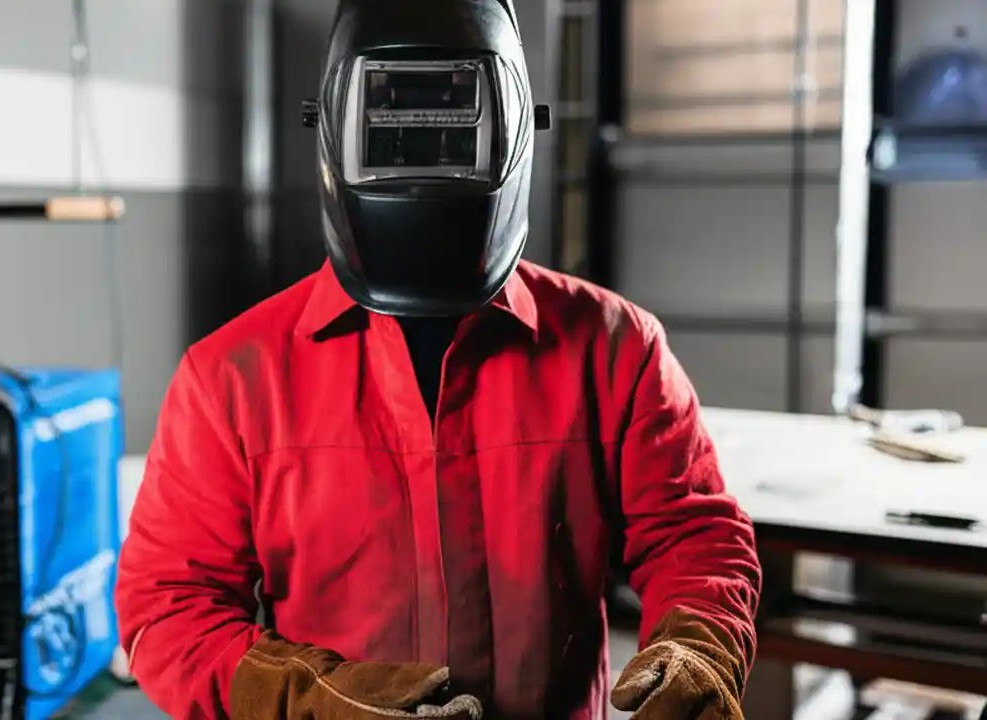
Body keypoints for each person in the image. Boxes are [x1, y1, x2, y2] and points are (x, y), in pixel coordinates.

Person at [115, 1, 761, 718]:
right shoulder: (232, 377)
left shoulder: (615, 347)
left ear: (518, 123)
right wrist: (306, 698)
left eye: (451, 112)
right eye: (394, 114)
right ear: (331, 121)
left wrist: (700, 644)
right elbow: (168, 608)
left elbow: (694, 536)